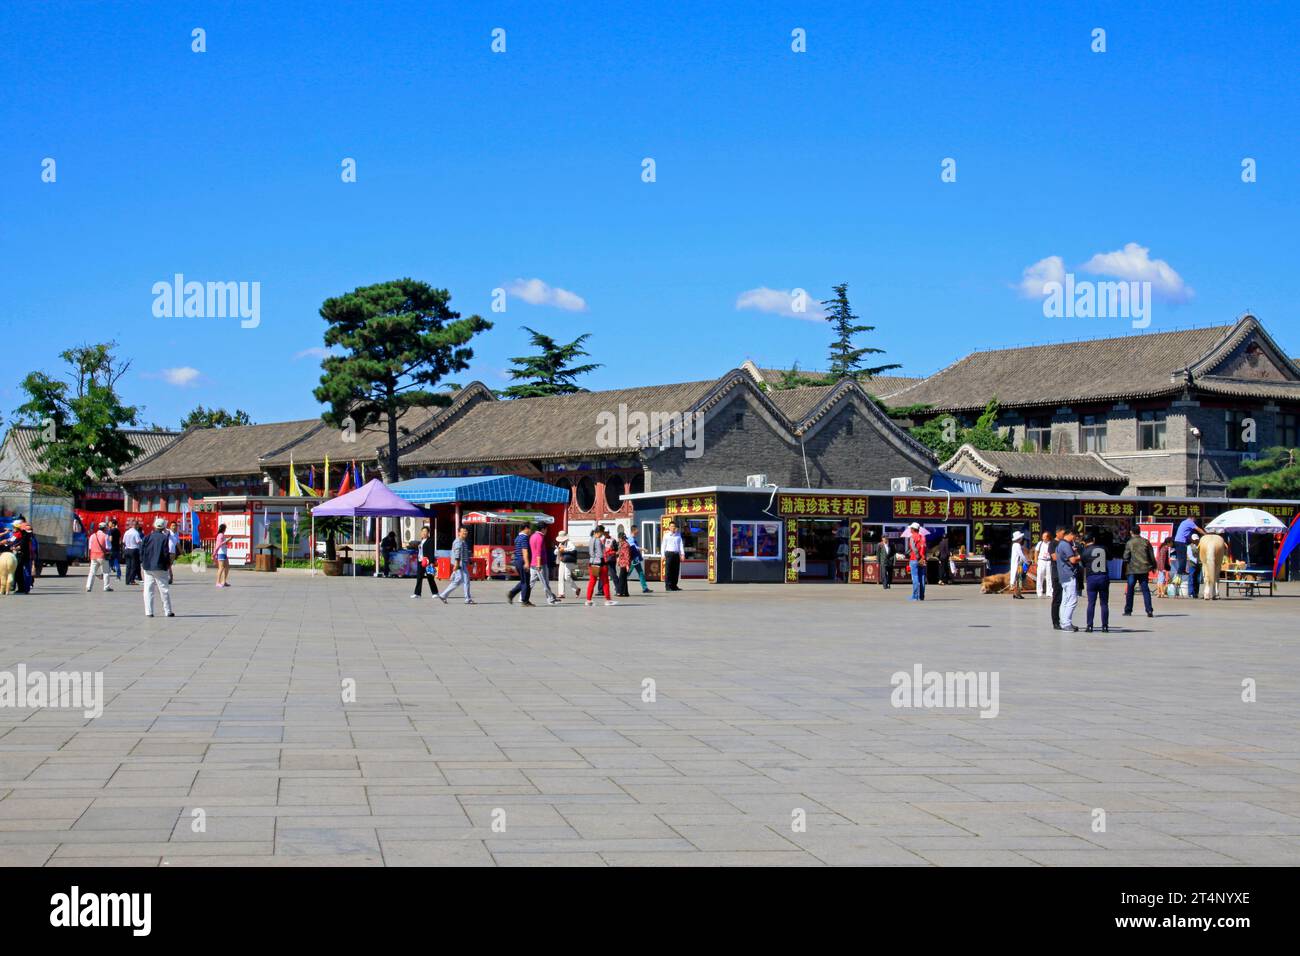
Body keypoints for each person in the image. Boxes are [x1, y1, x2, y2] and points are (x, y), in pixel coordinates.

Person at [140, 517, 174, 618]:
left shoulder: (147, 537)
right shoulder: (164, 538)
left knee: (148, 589)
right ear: (164, 527)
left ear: (154, 526)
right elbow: (165, 553)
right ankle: (167, 611)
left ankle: (149, 612)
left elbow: (141, 550)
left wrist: (143, 561)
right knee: (164, 589)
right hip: (160, 566)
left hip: (148, 567)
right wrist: (168, 564)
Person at [437, 526, 475, 604]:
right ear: (459, 533)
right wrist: (457, 564)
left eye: (466, 531)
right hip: (460, 564)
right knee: (465, 581)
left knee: (458, 581)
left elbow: (464, 553)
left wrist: (469, 560)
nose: (465, 533)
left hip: (462, 563)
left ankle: (443, 595)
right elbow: (457, 554)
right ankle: (467, 599)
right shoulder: (458, 542)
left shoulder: (463, 541)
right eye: (463, 531)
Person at [1080, 532, 1110, 633]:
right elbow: (1110, 557)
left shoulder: (1085, 552)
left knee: (1091, 603)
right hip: (1103, 576)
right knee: (1104, 603)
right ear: (1093, 539)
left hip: (1091, 577)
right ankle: (1105, 626)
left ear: (1084, 542)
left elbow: (1083, 564)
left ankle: (1089, 626)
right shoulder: (1103, 548)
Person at [1121, 530, 1155, 618]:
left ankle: (1128, 610)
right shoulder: (1146, 541)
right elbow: (1151, 555)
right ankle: (1149, 610)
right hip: (1144, 570)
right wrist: (1153, 566)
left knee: (1130, 590)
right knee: (1145, 590)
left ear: (1131, 532)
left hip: (1132, 570)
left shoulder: (1129, 543)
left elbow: (1125, 557)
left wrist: (1127, 563)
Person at [1055, 528, 1081, 631]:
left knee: (1065, 600)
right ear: (1070, 534)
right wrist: (1081, 556)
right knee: (1072, 600)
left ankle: (1063, 622)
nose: (1074, 539)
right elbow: (1073, 560)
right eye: (1075, 536)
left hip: (1063, 575)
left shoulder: (1060, 544)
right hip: (1069, 574)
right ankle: (1066, 623)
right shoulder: (1065, 545)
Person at [585, 526, 617, 606]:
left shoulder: (591, 539)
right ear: (599, 532)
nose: (602, 535)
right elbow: (600, 554)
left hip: (592, 562)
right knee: (605, 581)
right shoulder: (598, 541)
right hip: (600, 563)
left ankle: (588, 600)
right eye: (602, 533)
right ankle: (608, 600)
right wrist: (606, 552)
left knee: (592, 582)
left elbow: (591, 553)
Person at [528, 522, 557, 605]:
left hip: (533, 562)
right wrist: (538, 564)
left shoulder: (532, 536)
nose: (546, 531)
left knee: (531, 582)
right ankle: (550, 599)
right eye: (546, 529)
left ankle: (523, 597)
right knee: (545, 582)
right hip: (540, 563)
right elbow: (538, 552)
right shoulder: (540, 537)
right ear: (543, 529)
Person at [506, 523, 534, 606]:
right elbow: (524, 551)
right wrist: (526, 563)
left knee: (523, 581)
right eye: (530, 529)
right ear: (526, 528)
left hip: (517, 561)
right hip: (522, 561)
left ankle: (512, 593)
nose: (530, 531)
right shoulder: (524, 538)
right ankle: (525, 601)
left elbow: (517, 550)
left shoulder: (517, 538)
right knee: (526, 582)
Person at [1172, 516, 1205, 583]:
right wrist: (1206, 534)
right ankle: (1181, 571)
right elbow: (1198, 529)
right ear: (1192, 518)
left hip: (1177, 541)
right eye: (1194, 520)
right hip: (1181, 542)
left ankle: (1181, 571)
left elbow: (1186, 533)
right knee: (1183, 558)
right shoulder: (1190, 522)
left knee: (1180, 557)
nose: (1194, 522)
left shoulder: (1183, 522)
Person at [412, 525, 439, 599]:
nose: (424, 533)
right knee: (419, 577)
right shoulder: (421, 541)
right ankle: (417, 593)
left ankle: (435, 593)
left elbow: (431, 552)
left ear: (428, 533)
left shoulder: (430, 541)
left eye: (425, 532)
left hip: (427, 562)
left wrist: (431, 562)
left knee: (430, 577)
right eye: (423, 531)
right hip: (420, 561)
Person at [86, 521, 114, 593]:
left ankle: (88, 587)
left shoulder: (92, 536)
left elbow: (90, 547)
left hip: (93, 556)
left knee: (92, 572)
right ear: (104, 528)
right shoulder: (106, 536)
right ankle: (106, 587)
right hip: (103, 556)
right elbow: (108, 547)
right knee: (106, 572)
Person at [555, 531, 581, 599]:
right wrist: (558, 550)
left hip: (568, 560)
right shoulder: (560, 543)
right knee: (560, 577)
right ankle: (561, 593)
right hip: (562, 560)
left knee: (567, 577)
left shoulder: (569, 542)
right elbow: (555, 552)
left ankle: (576, 589)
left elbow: (573, 549)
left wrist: (564, 549)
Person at [1048, 527, 1066, 630]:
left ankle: (1065, 620)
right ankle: (1055, 621)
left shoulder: (1065, 543)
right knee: (1057, 598)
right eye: (1063, 533)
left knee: (1066, 599)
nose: (1064, 535)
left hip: (1065, 574)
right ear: (1057, 533)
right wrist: (1068, 555)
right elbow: (1054, 557)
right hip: (1057, 573)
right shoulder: (1053, 544)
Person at [906, 522, 927, 601]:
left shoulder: (912, 537)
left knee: (915, 577)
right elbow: (924, 548)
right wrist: (922, 558)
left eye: (911, 528)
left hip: (914, 559)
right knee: (922, 577)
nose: (910, 530)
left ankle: (915, 596)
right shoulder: (923, 537)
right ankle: (922, 596)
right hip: (922, 559)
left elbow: (914, 548)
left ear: (913, 529)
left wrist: (917, 557)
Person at [662, 521, 684, 591]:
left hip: (676, 554)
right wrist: (663, 555)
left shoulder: (678, 535)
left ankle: (674, 585)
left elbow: (681, 545)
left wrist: (682, 554)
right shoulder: (666, 535)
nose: (673, 528)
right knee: (668, 570)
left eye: (674, 526)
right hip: (669, 554)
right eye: (671, 526)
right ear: (669, 527)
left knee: (676, 570)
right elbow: (663, 546)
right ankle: (668, 586)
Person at [628, 529, 651, 594]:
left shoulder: (633, 538)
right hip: (633, 559)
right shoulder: (631, 539)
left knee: (640, 572)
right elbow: (635, 547)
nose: (638, 532)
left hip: (636, 558)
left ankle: (645, 588)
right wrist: (643, 549)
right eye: (637, 531)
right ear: (633, 531)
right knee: (628, 573)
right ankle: (619, 586)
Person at [1034, 531, 1054, 598]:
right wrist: (1036, 560)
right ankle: (1039, 592)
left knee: (1049, 576)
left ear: (1048, 537)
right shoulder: (1040, 543)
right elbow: (1036, 552)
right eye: (1042, 536)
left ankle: (1049, 592)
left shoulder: (1051, 543)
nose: (1043, 538)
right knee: (1040, 576)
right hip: (1041, 561)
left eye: (1044, 536)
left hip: (1048, 561)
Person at [122, 519, 142, 585]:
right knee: (134, 566)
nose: (138, 526)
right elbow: (138, 541)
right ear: (135, 525)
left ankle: (127, 581)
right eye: (138, 524)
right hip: (134, 550)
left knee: (128, 566)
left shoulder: (126, 532)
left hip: (127, 549)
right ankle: (132, 580)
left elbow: (123, 542)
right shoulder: (136, 532)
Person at [1008, 530, 1027, 599]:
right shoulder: (1017, 545)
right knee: (1019, 579)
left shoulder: (1014, 545)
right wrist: (1026, 561)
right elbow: (1021, 555)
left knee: (1017, 579)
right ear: (1020, 538)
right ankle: (1017, 594)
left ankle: (1016, 593)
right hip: (1019, 565)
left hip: (1016, 564)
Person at [615, 530, 632, 597]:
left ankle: (620, 592)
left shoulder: (626, 545)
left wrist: (627, 565)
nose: (618, 539)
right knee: (624, 578)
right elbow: (620, 553)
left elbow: (627, 555)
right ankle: (625, 592)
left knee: (621, 578)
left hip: (625, 563)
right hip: (622, 563)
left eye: (619, 538)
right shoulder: (621, 544)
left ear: (621, 538)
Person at [214, 523, 231, 587]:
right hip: (221, 553)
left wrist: (227, 541)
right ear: (224, 529)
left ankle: (224, 581)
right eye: (225, 528)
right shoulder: (220, 535)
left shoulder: (222, 535)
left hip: (224, 553)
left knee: (227, 567)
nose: (225, 529)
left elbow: (222, 544)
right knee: (221, 568)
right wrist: (228, 540)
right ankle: (217, 582)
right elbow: (220, 544)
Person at [1187, 533, 1202, 599]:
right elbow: (1190, 556)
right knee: (1191, 578)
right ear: (1192, 540)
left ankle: (1196, 593)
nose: (1196, 541)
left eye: (1197, 539)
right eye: (1194, 540)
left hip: (1199, 565)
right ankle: (1191, 593)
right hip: (1192, 564)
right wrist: (1197, 561)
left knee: (1198, 579)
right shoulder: (1189, 547)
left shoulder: (1200, 546)